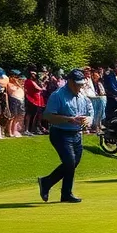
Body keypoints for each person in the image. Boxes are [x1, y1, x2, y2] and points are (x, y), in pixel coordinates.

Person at [37, 69, 93, 204]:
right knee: (69, 162)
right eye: (77, 84)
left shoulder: (82, 96)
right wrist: (69, 119)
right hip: (60, 133)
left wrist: (88, 120)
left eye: (81, 84)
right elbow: (48, 116)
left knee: (73, 163)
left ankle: (47, 183)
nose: (80, 87)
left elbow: (90, 112)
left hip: (77, 134)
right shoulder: (58, 95)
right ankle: (66, 193)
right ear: (70, 82)